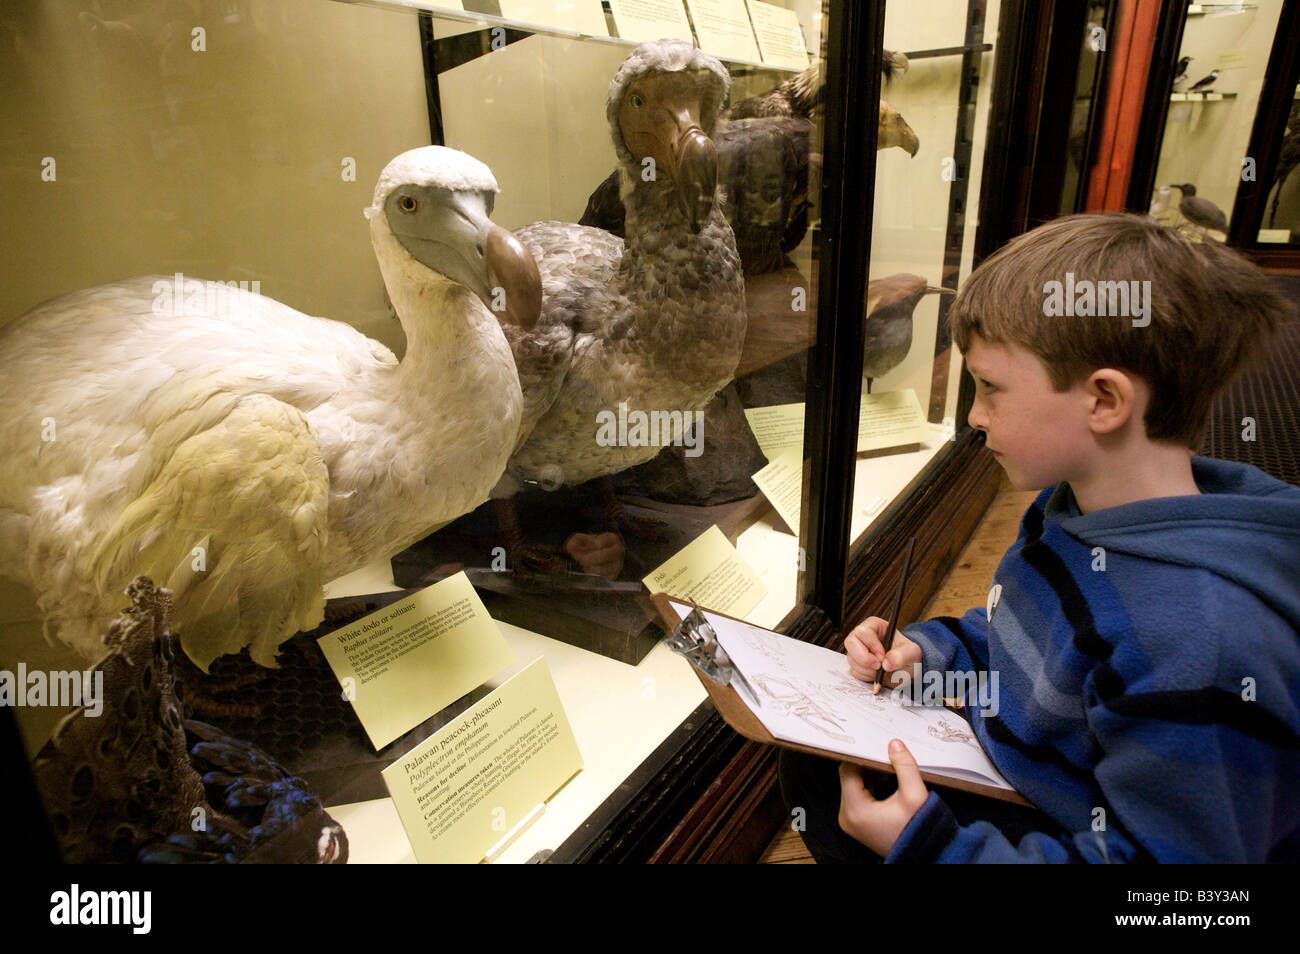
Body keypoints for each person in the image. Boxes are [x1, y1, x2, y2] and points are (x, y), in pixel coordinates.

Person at [779, 213, 1300, 862]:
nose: (973, 415)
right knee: (816, 766)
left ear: (1104, 400)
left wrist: (937, 851)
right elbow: (1028, 643)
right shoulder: (1079, 509)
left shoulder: (1200, 646)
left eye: (991, 389)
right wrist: (931, 654)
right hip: (1039, 779)